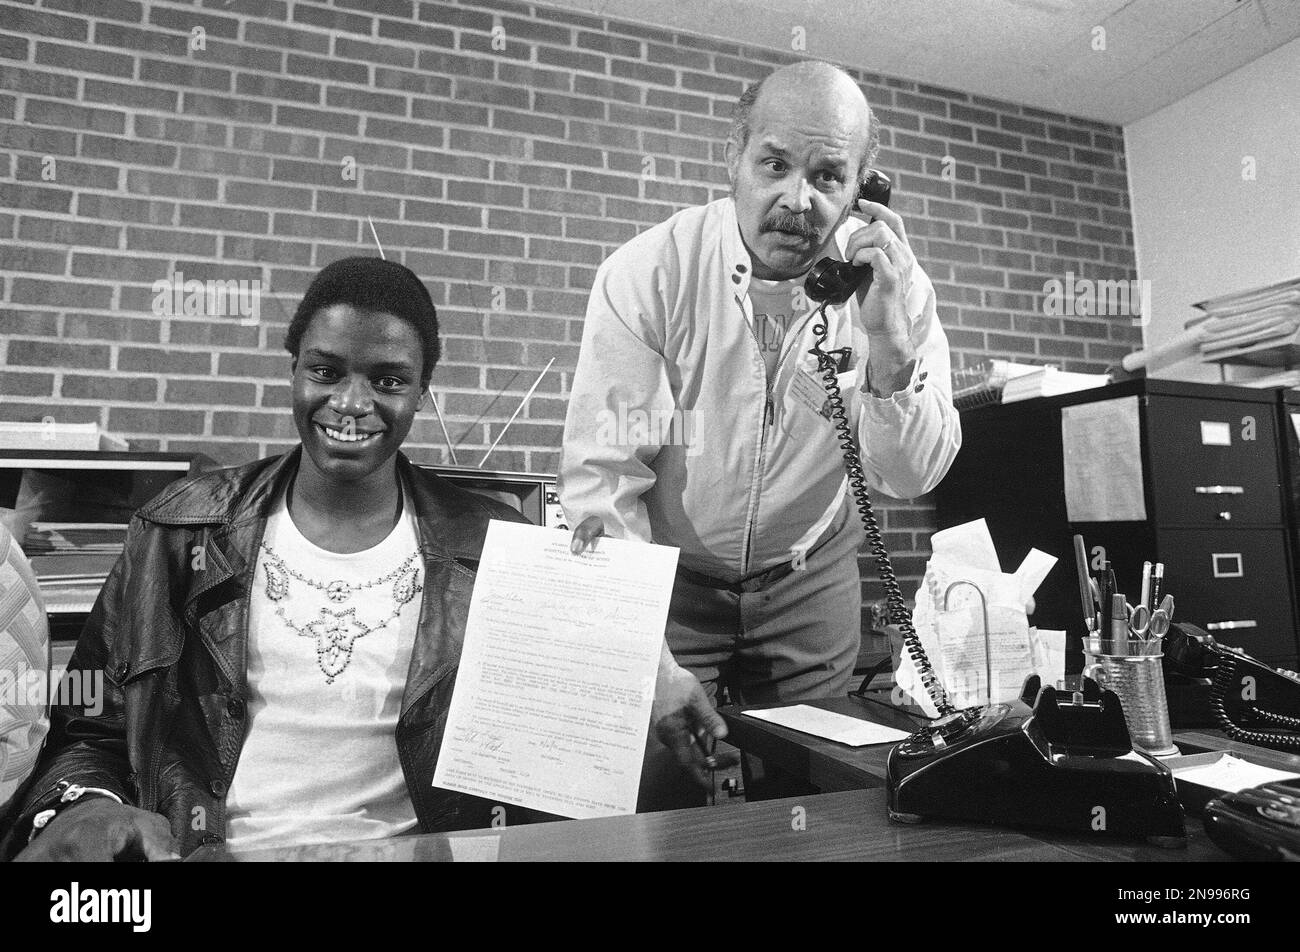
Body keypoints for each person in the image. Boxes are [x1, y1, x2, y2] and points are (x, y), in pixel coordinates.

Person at [4, 257, 724, 861]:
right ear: (294, 370)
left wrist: (650, 690)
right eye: (325, 370)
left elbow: (560, 727)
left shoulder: (493, 545)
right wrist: (84, 805)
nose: (351, 402)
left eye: (387, 380)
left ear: (419, 393)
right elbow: (91, 728)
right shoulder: (179, 529)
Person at [561, 61, 961, 808]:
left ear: (860, 191)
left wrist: (891, 352)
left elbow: (909, 478)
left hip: (809, 577)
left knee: (820, 798)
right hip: (670, 585)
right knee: (659, 796)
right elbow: (603, 483)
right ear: (735, 156)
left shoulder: (892, 291)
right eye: (774, 164)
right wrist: (649, 658)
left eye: (828, 175)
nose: (797, 199)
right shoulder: (650, 275)